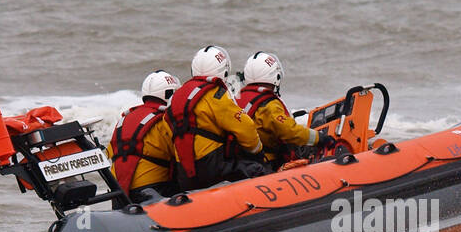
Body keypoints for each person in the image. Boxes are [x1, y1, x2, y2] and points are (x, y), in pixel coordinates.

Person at [167, 46, 270, 189]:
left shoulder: (177, 96)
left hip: (184, 172)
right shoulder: (216, 94)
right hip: (212, 168)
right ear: (224, 71)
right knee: (257, 169)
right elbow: (246, 127)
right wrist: (257, 151)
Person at [236, 51, 334, 165]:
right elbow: (289, 132)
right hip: (264, 162)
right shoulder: (269, 105)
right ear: (275, 76)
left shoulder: (239, 97)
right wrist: (320, 138)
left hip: (242, 159)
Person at [107, 70, 180, 199]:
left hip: (119, 193)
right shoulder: (164, 119)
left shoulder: (123, 120)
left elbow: (110, 152)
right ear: (170, 94)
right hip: (153, 191)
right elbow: (180, 152)